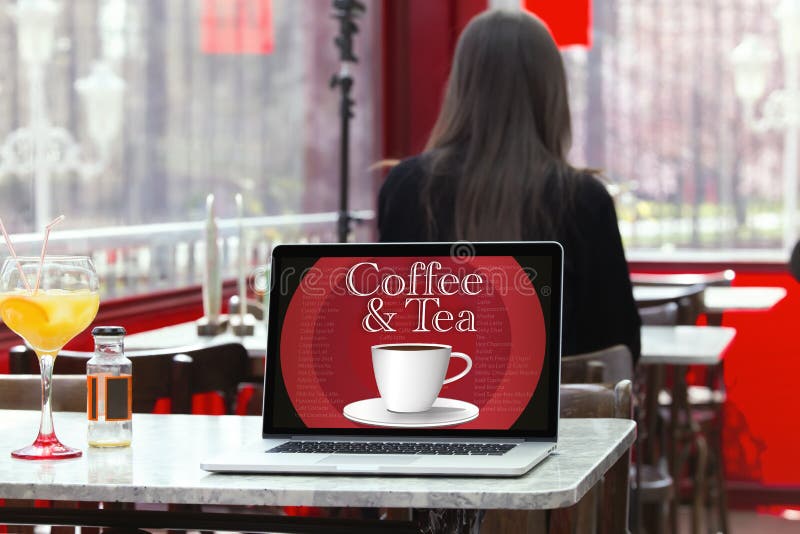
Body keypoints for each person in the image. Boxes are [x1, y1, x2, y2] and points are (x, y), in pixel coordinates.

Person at [377, 9, 641, 363]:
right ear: (551, 92)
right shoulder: (583, 200)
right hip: (558, 416)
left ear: (460, 86)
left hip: (427, 412)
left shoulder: (406, 188)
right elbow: (617, 346)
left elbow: (385, 322)